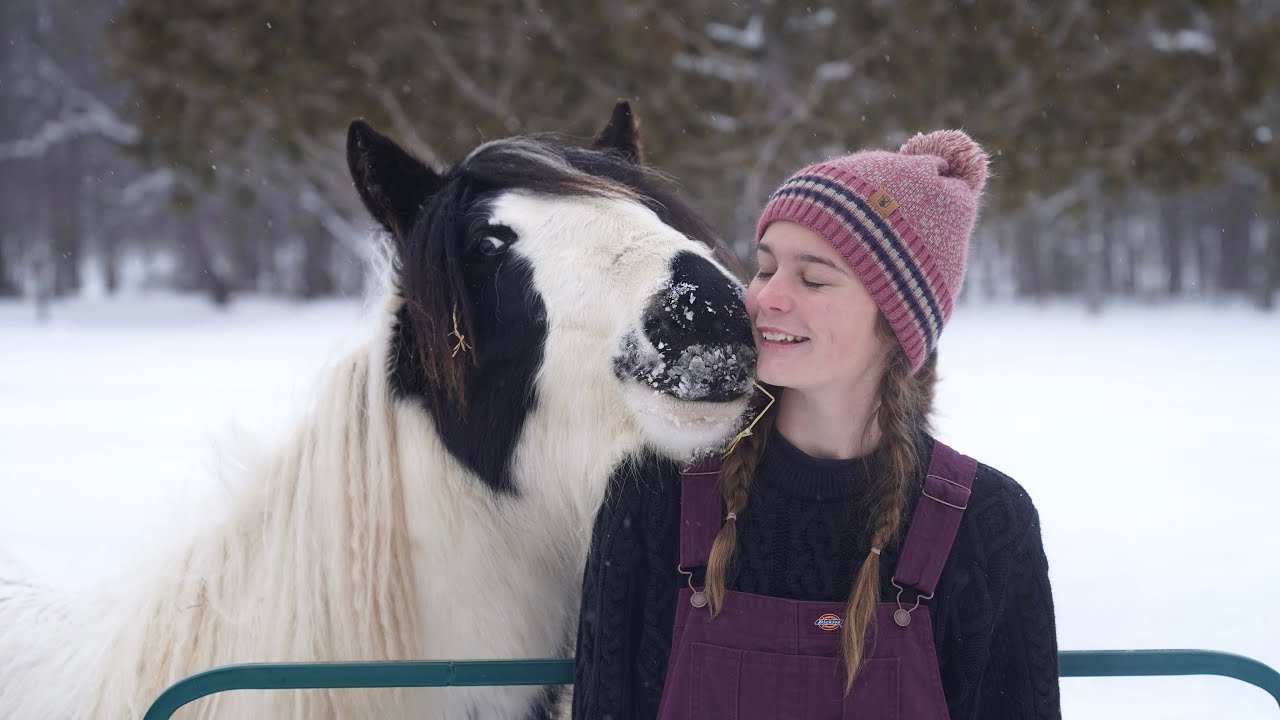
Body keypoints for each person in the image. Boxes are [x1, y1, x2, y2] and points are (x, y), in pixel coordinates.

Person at [571, 130, 1061, 719]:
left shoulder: (985, 525)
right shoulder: (654, 494)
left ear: (896, 321)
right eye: (765, 268)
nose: (765, 299)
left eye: (813, 278)